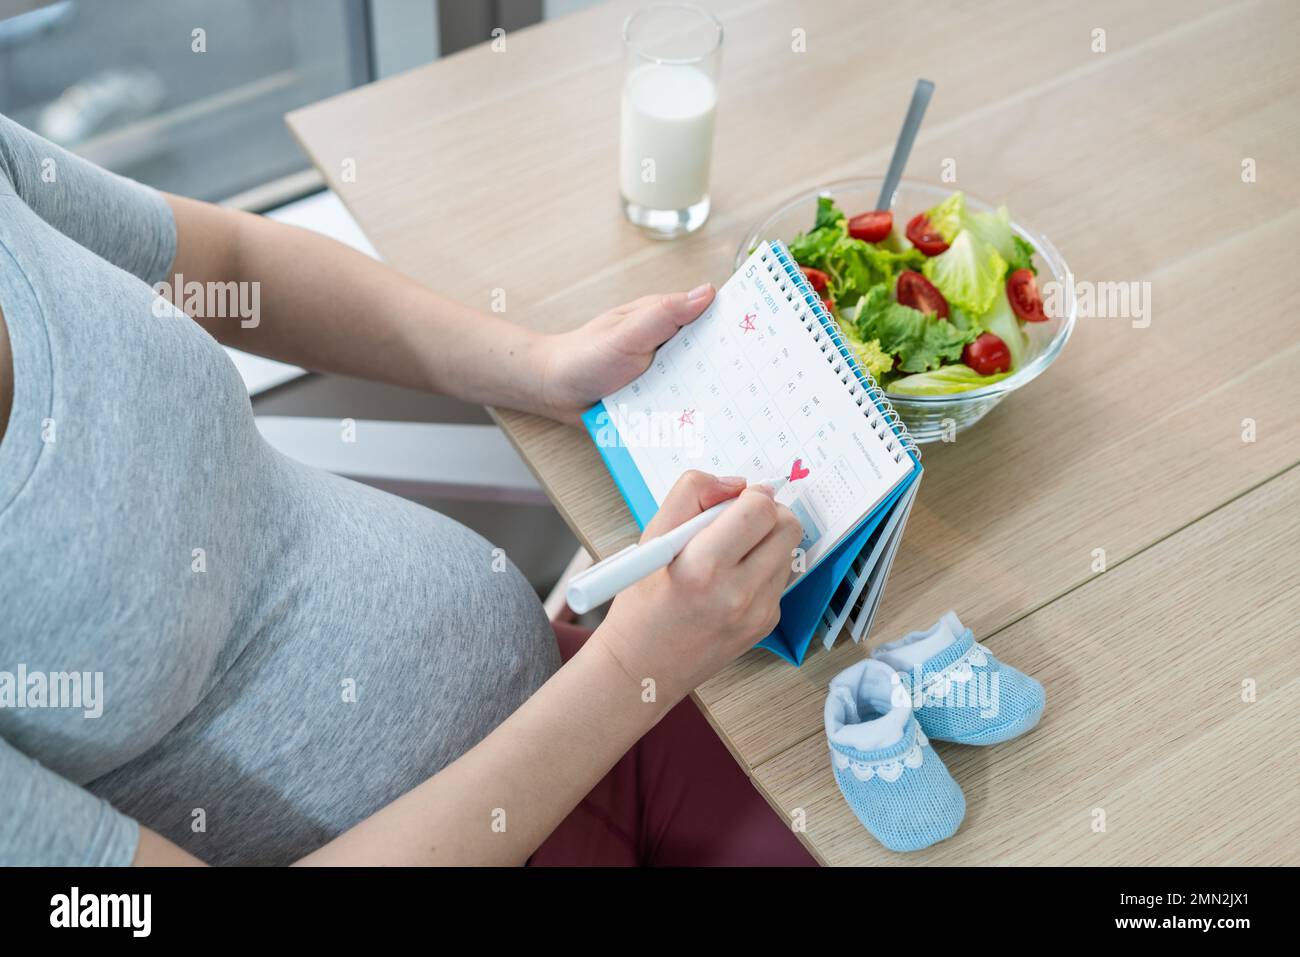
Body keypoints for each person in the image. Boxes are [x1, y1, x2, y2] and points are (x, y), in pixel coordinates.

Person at [0, 113, 814, 866]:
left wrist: (538, 368)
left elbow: (228, 270)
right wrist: (637, 663)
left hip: (578, 701)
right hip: (601, 703)